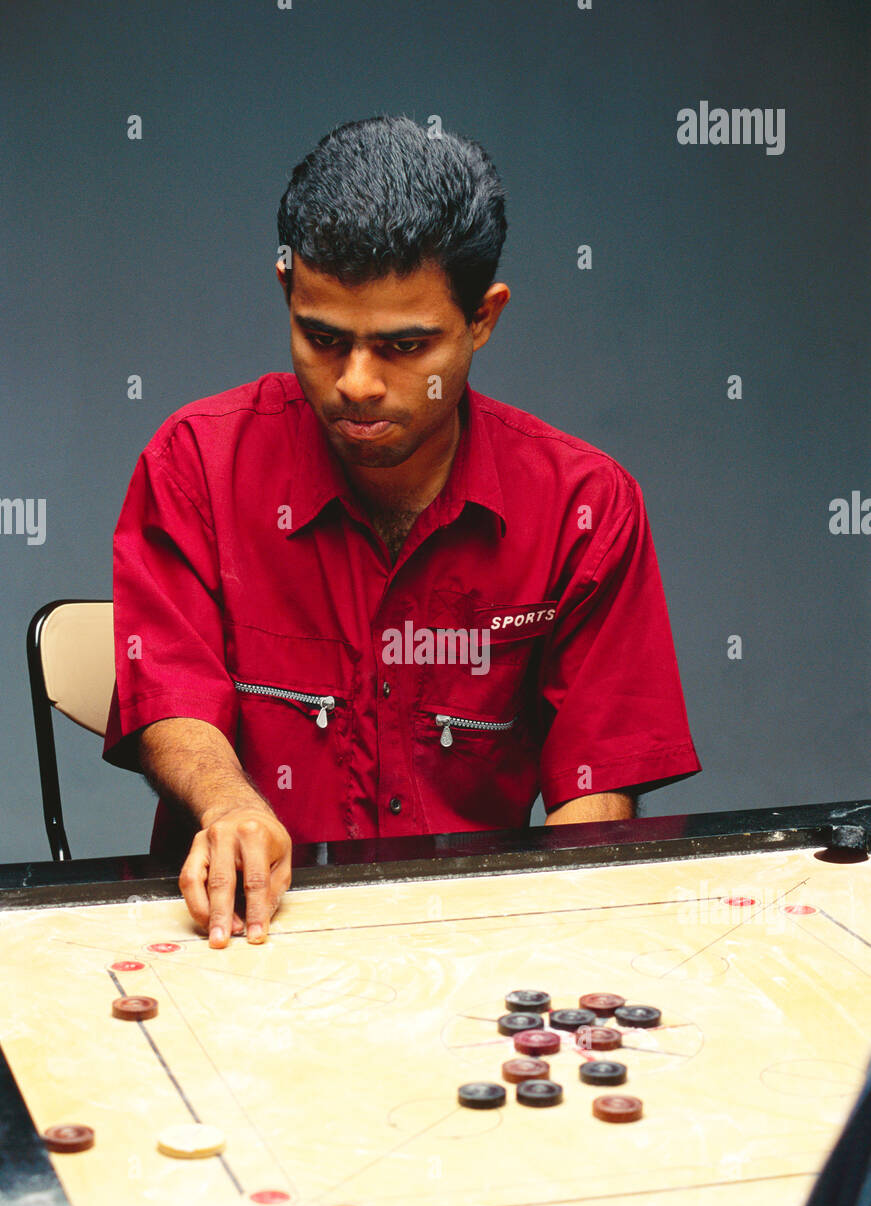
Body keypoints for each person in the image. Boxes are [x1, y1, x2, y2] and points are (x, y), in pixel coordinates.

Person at [103, 115, 701, 949]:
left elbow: (594, 787)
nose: (356, 384)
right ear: (287, 293)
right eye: (323, 338)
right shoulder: (195, 463)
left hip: (475, 939)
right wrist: (228, 801)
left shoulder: (583, 506)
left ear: (482, 318)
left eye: (403, 346)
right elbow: (168, 689)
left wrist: (570, 921)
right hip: (243, 940)